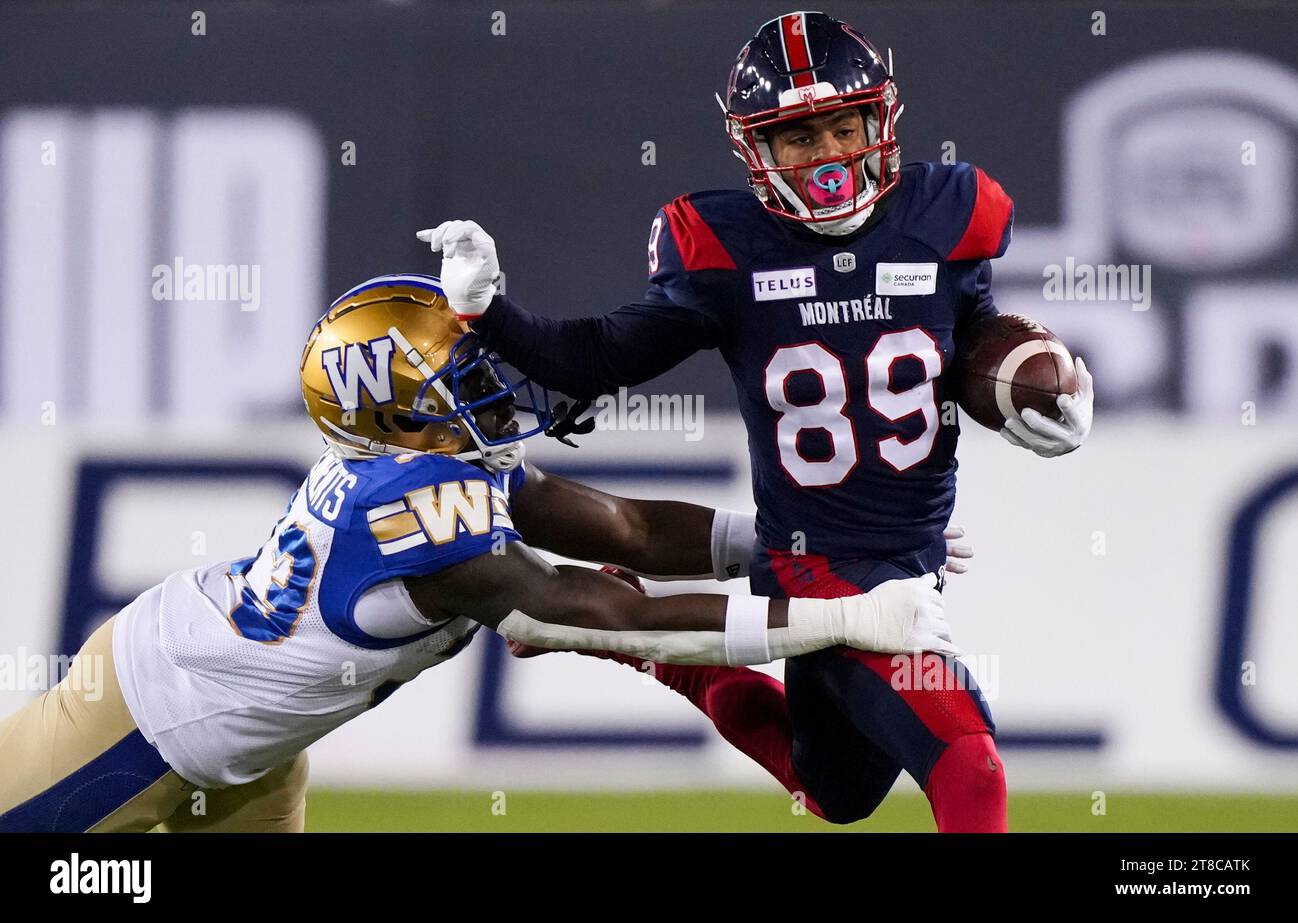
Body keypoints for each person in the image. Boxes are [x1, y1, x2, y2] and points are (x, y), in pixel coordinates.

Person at [418, 12, 1095, 831]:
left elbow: (967, 327)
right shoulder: (726, 250)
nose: (830, 157)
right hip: (815, 570)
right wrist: (484, 307)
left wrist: (1032, 380)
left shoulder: (950, 214)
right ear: (756, 151)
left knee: (838, 794)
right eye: (798, 139)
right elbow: (599, 358)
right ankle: (638, 636)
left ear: (879, 119)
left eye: (844, 126)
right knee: (971, 769)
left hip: (913, 555)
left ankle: (660, 657)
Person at [0, 274, 952, 833]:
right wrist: (841, 615)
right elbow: (614, 610)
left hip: (253, 749)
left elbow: (625, 529)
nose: (493, 380)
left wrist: (793, 542)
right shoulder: (413, 504)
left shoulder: (444, 464)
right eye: (460, 373)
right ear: (395, 410)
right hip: (139, 721)